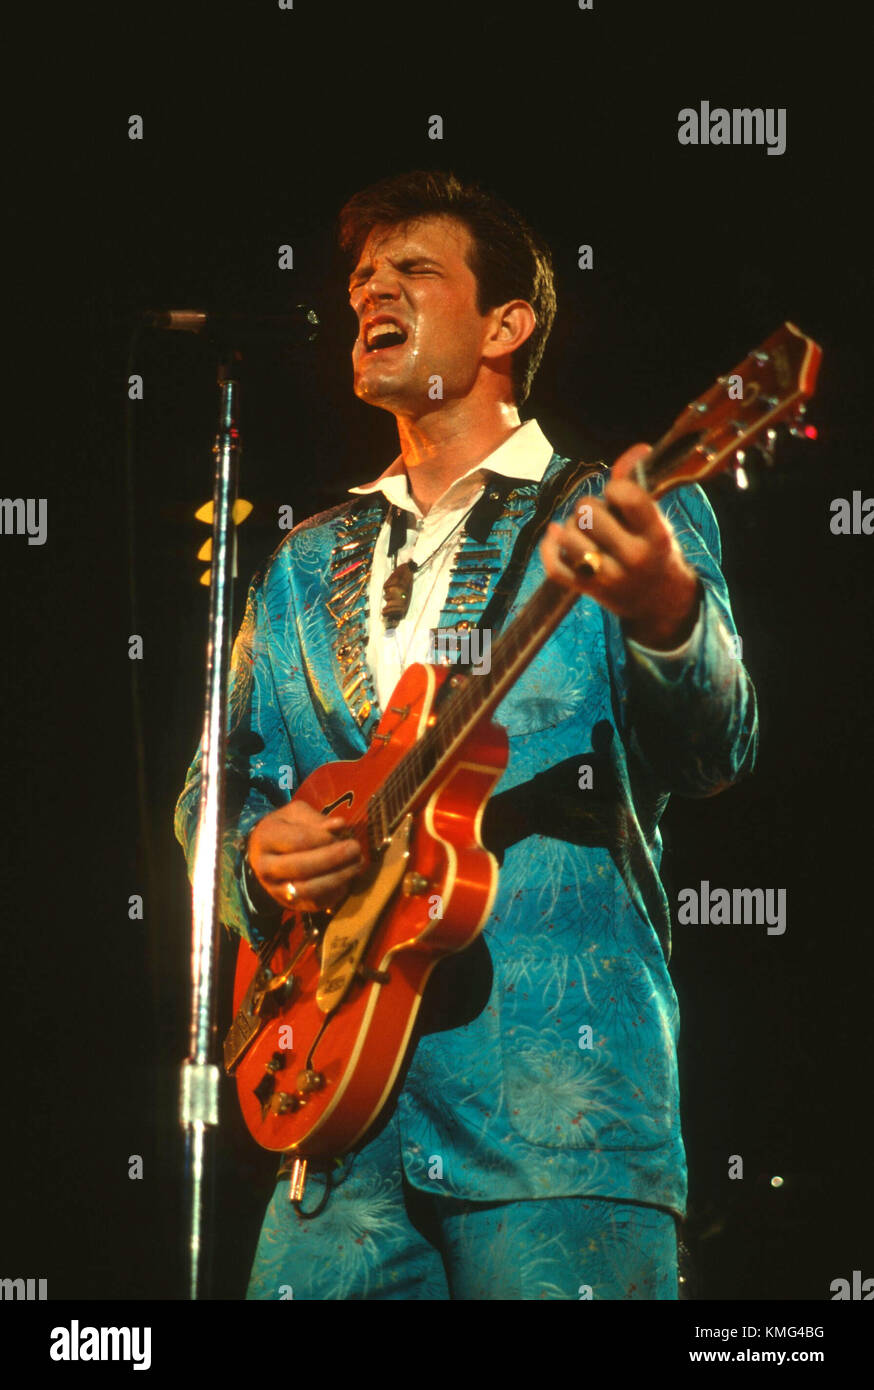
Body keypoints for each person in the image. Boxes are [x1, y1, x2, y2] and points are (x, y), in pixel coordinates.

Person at [174, 169, 758, 1300]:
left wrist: (661, 609)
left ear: (505, 325)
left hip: (558, 1115)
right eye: (359, 279)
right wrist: (253, 850)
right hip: (334, 1124)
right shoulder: (297, 567)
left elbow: (718, 747)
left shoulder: (624, 510)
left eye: (411, 270)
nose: (369, 290)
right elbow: (216, 790)